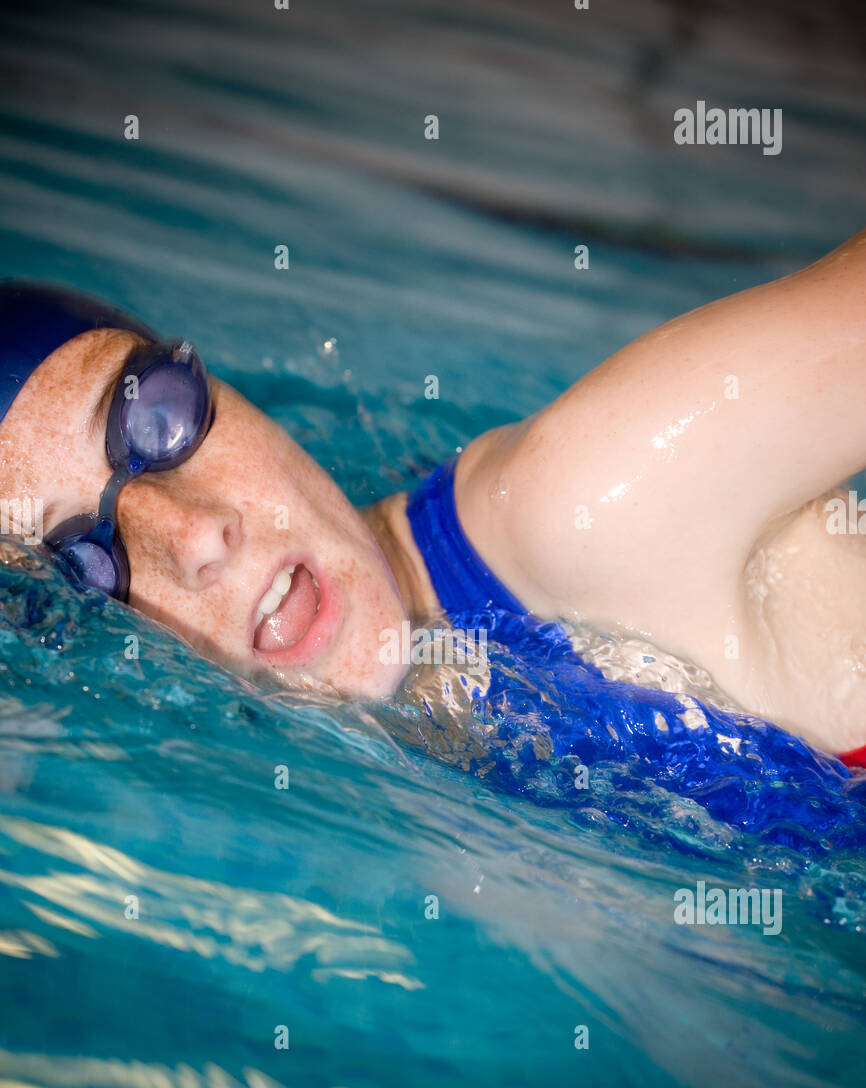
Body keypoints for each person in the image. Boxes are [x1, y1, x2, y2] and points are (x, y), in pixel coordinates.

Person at [1, 227, 865, 772]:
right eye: (77, 563)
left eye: (152, 415)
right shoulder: (400, 783)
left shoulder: (590, 497)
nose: (192, 539)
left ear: (212, 376)